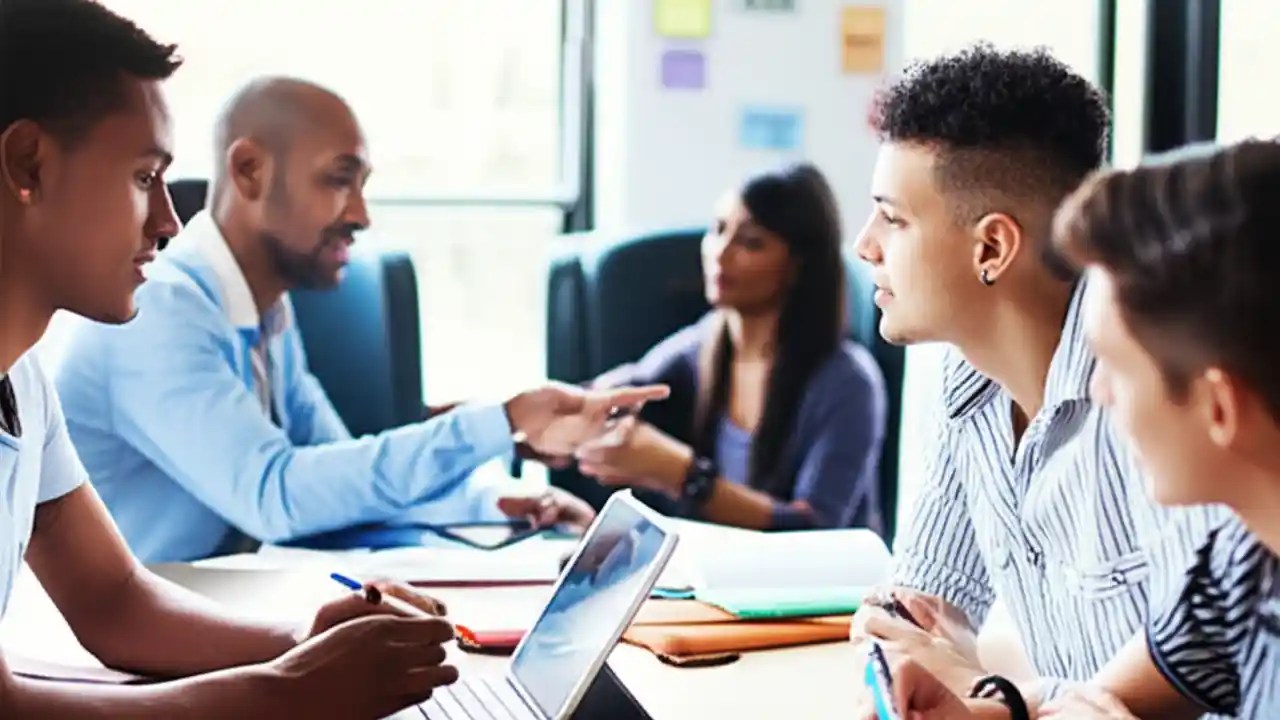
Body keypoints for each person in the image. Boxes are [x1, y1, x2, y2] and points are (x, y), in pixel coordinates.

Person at [0, 1, 462, 716]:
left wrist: (302, 637)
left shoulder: (21, 377)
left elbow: (113, 601)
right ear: (28, 163)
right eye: (143, 178)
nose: (167, 223)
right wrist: (282, 693)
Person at [54, 76, 668, 563]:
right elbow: (278, 495)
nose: (362, 214)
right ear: (249, 172)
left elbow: (335, 473)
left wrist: (490, 501)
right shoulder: (159, 308)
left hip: (220, 620)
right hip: (135, 660)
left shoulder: (267, 310)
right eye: (338, 181)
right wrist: (504, 420)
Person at [846, 43, 1222, 713]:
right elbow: (925, 609)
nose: (864, 244)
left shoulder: (1154, 389)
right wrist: (929, 651)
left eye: (893, 218)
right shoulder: (969, 380)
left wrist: (989, 691)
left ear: (991, 247)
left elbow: (1208, 660)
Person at [575, 163, 888, 532]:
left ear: (799, 263)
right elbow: (607, 396)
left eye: (751, 242)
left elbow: (815, 527)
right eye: (718, 230)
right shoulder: (698, 348)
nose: (720, 255)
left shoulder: (848, 382)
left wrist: (684, 475)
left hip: (817, 585)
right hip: (711, 581)